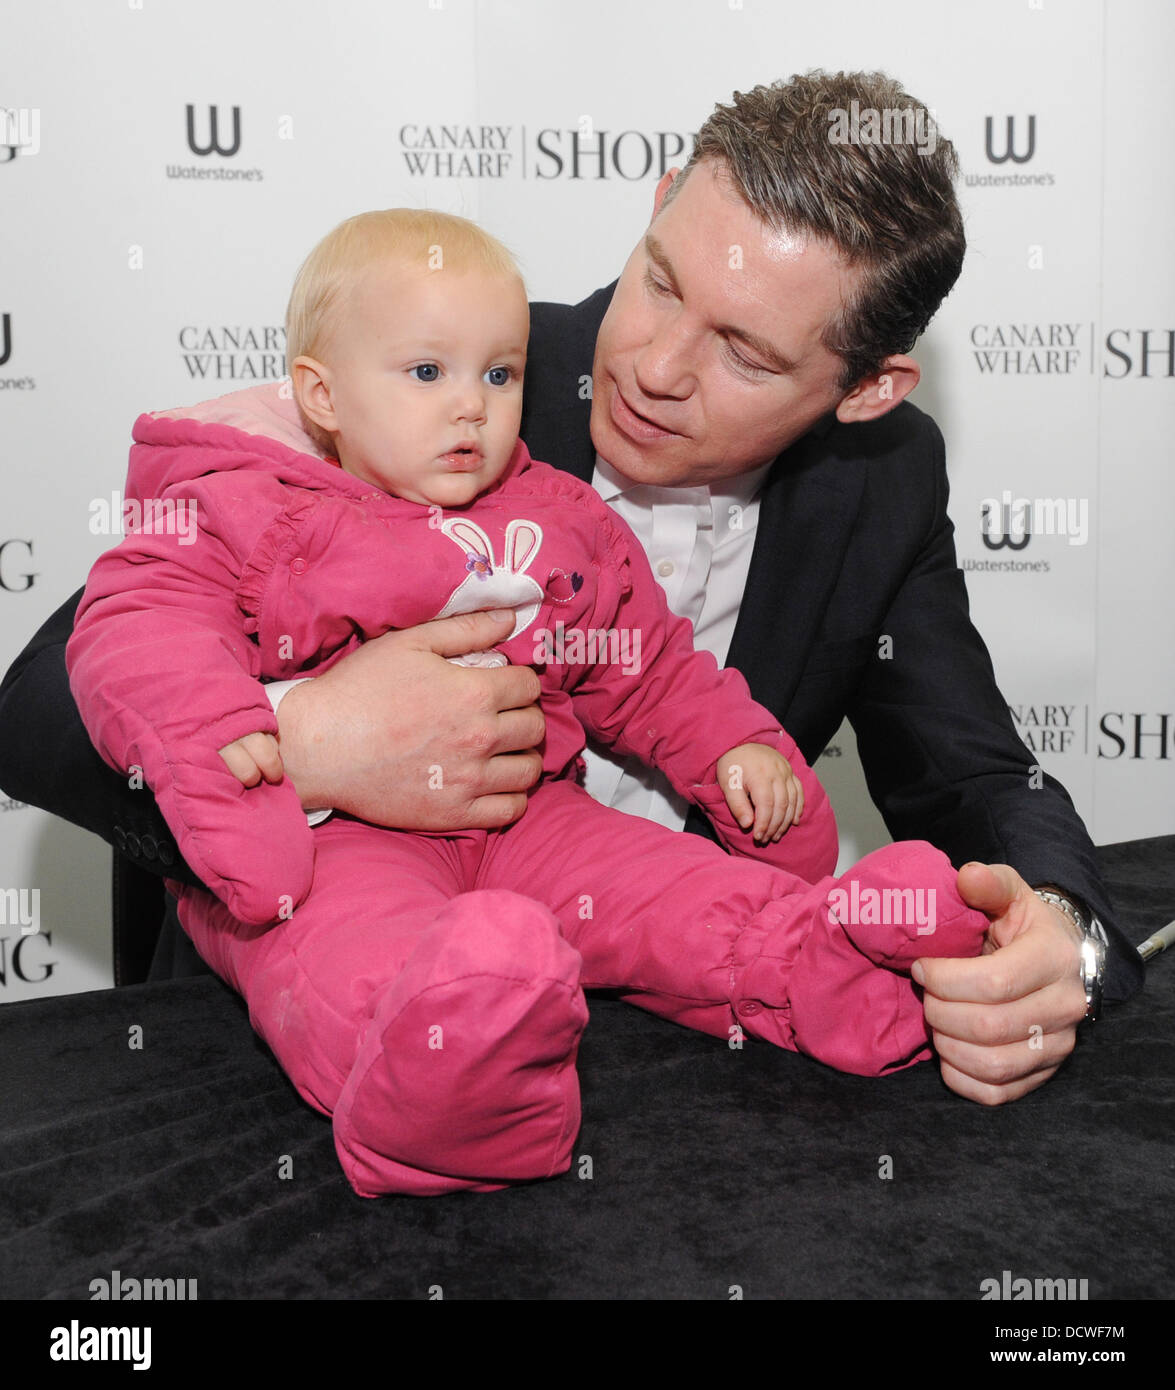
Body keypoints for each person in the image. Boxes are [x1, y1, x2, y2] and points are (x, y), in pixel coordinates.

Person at [0, 70, 1142, 1116]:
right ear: (654, 203)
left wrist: (1063, 937)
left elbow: (976, 771)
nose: (651, 365)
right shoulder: (440, 370)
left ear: (866, 390)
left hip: (673, 1063)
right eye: (659, 281)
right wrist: (305, 739)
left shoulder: (884, 482)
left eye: (744, 353)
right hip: (278, 1053)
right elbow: (44, 702)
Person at [62, 207, 987, 1196]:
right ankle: (442, 1081)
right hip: (336, 846)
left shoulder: (550, 511)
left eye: (497, 377)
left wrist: (731, 751)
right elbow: (143, 625)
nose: (472, 407)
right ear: (320, 394)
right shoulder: (245, 497)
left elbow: (646, 661)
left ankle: (827, 967)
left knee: (675, 890)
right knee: (340, 956)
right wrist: (277, 743)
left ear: (860, 386)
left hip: (539, 815)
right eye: (427, 375)